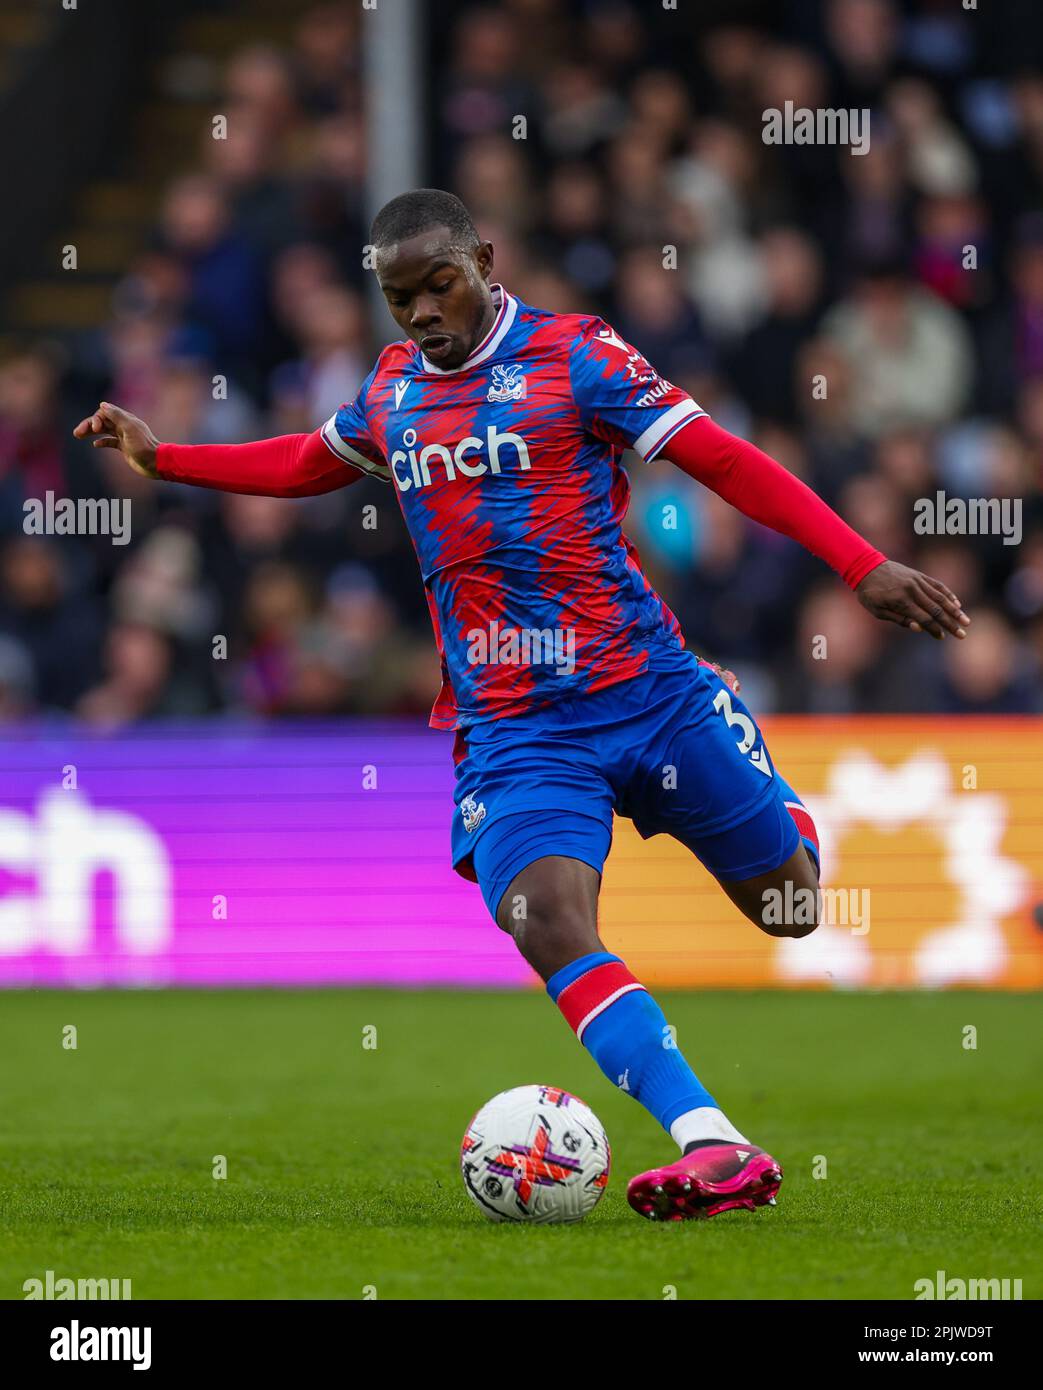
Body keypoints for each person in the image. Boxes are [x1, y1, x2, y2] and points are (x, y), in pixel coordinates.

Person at [75, 188, 969, 1222]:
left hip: (648, 691)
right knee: (544, 917)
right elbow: (306, 463)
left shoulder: (576, 356)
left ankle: (772, 795)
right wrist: (164, 457)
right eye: (397, 295)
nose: (419, 313)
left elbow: (719, 457)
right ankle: (711, 1141)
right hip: (516, 730)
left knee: (791, 906)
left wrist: (857, 564)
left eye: (438, 284)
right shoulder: (389, 390)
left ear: (484, 260)